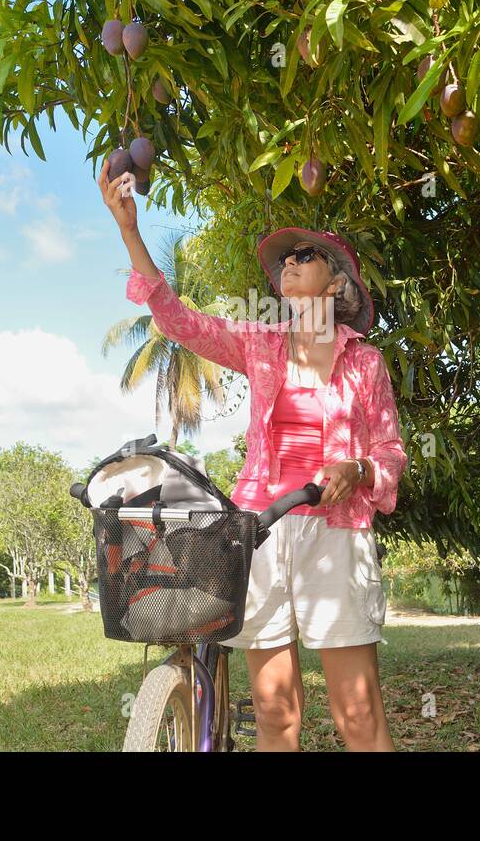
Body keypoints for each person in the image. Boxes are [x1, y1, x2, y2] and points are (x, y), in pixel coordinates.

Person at [98, 161, 407, 751]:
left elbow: (391, 451)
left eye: (305, 254)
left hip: (335, 539)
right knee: (275, 717)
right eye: (285, 259)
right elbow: (178, 321)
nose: (289, 263)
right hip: (260, 536)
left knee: (358, 718)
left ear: (337, 283)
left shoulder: (365, 363)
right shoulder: (260, 344)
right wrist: (129, 232)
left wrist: (360, 469)